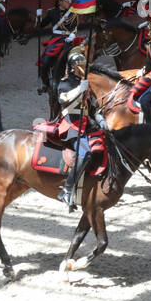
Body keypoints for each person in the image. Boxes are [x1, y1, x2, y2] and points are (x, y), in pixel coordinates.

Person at [54, 48, 107, 211]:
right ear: (72, 68)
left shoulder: (85, 84)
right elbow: (62, 99)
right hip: (71, 125)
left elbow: (93, 108)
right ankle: (66, 190)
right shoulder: (66, 83)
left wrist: (101, 119)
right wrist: (79, 89)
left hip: (86, 124)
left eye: (84, 65)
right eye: (79, 66)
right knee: (85, 153)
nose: (83, 68)